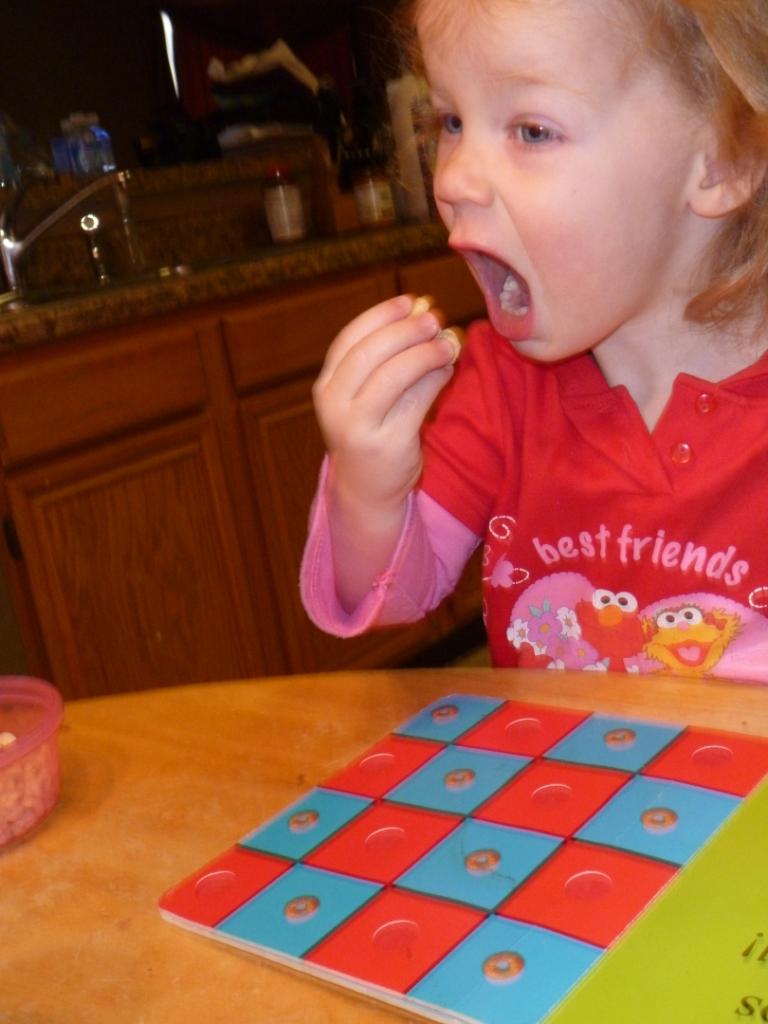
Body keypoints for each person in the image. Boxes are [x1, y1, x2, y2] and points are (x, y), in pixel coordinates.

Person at [301, 0, 768, 683]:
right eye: (452, 122)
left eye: (531, 131)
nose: (453, 179)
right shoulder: (501, 386)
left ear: (724, 163)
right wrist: (367, 490)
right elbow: (398, 595)